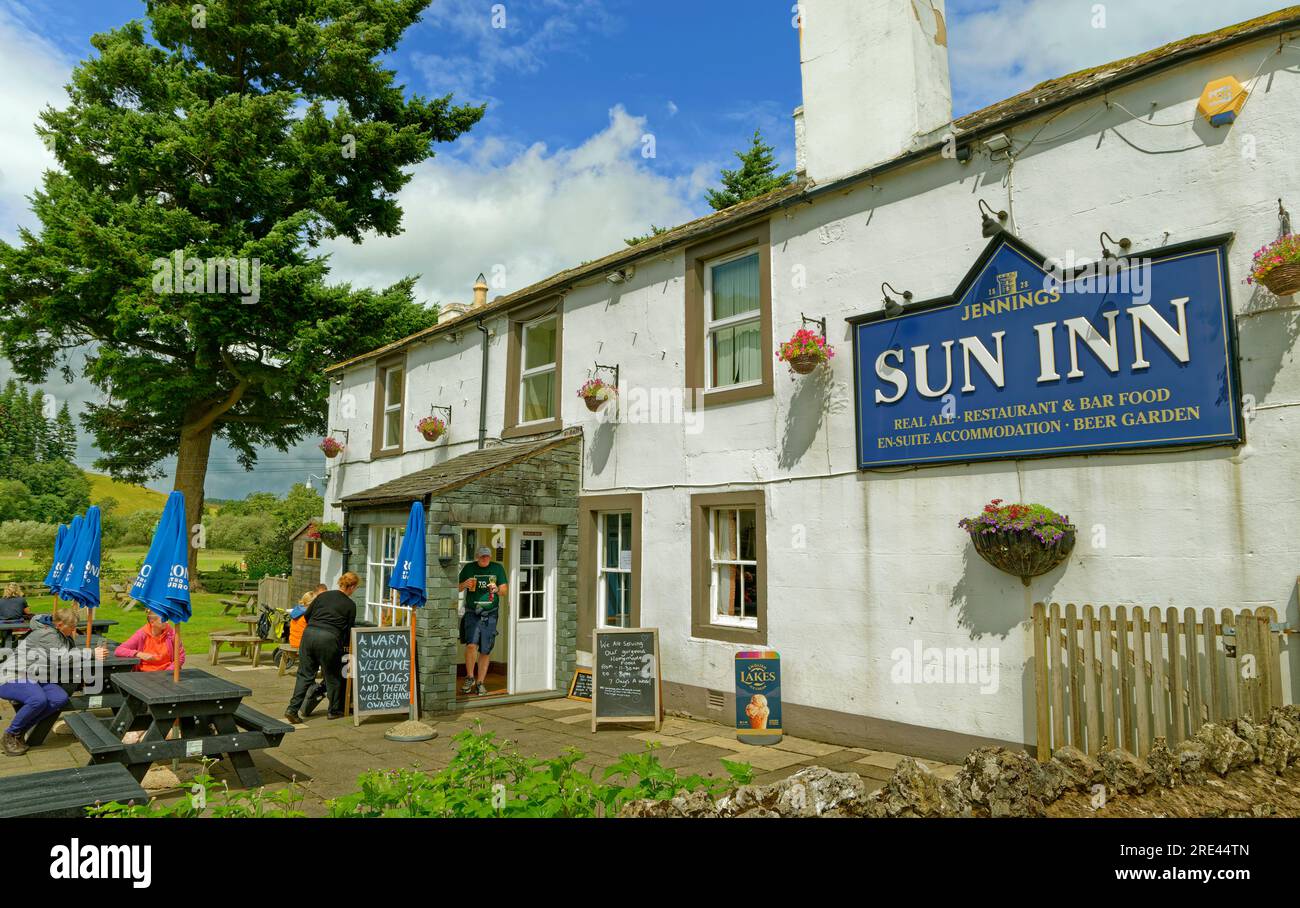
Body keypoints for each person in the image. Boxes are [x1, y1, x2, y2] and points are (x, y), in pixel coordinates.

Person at [0, 607, 107, 756]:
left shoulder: (60, 634)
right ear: (60, 625)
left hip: (35, 677)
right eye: (72, 626)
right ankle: (10, 735)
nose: (75, 629)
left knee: (59, 698)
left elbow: (69, 653)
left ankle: (20, 730)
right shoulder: (47, 633)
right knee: (38, 699)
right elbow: (61, 658)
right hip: (12, 676)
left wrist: (89, 654)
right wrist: (92, 653)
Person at [284, 572, 358, 724]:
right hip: (329, 639)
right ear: (352, 587)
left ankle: (292, 709)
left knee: (304, 675)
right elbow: (347, 630)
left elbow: (307, 615)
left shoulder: (323, 596)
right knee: (333, 675)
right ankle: (334, 711)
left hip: (309, 635)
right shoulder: (350, 605)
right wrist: (343, 645)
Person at [458, 545, 508, 696]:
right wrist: (463, 585)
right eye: (482, 556)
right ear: (477, 557)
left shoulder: (497, 568)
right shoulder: (469, 568)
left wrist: (497, 590)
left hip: (490, 614)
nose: (485, 558)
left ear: (490, 557)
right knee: (471, 645)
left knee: (485, 649)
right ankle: (469, 677)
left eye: (487, 556)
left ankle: (480, 682)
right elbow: (456, 587)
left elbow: (504, 591)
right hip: (472, 612)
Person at [114, 609, 186, 673]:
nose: (167, 622)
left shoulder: (172, 633)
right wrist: (138, 654)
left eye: (167, 619)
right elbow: (119, 650)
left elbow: (180, 657)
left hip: (167, 673)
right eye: (163, 620)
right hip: (145, 674)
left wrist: (168, 671)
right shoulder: (141, 634)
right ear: (152, 622)